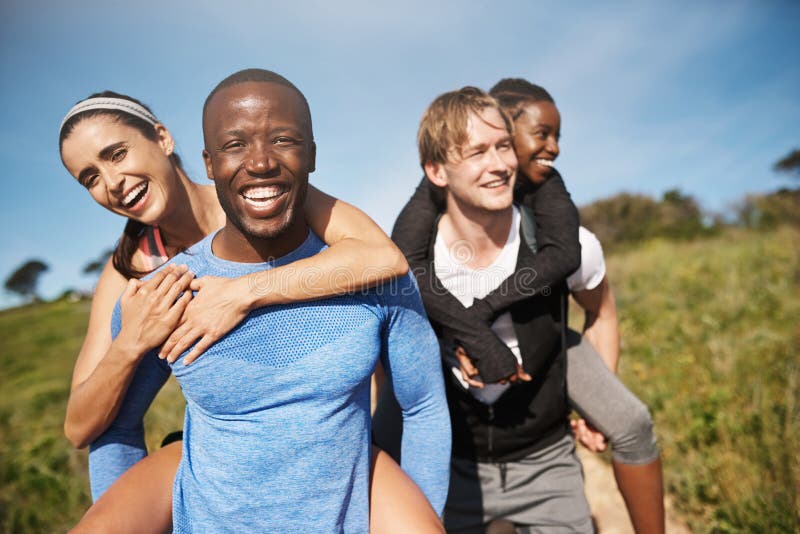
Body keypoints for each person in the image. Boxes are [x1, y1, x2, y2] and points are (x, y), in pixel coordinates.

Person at [71, 68, 451, 532]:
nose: (261, 162)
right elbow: (97, 425)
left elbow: (420, 398)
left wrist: (244, 291)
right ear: (210, 162)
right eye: (90, 176)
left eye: (283, 140)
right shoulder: (148, 285)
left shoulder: (358, 259)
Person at [379, 80, 664, 533]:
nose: (499, 165)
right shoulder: (412, 262)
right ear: (436, 171)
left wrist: (595, 406)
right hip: (452, 468)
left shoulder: (569, 242)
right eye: (477, 152)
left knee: (632, 421)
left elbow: (603, 312)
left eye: (504, 147)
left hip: (546, 462)